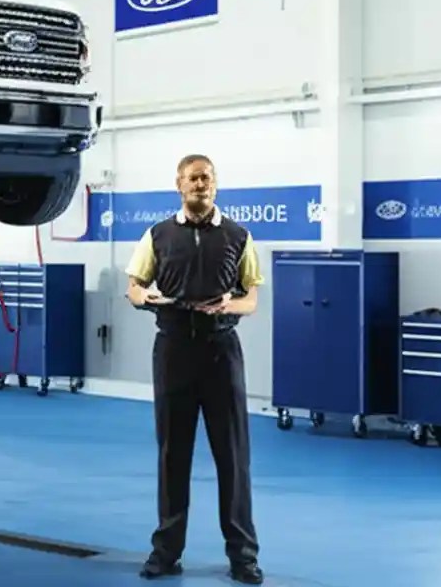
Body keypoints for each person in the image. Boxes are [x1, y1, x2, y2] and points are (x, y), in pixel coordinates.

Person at [125, 154, 265, 585]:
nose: (201, 184)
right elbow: (133, 286)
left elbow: (252, 299)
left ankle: (243, 556)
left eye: (207, 177)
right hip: (173, 351)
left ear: (215, 185)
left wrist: (230, 304)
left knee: (233, 457)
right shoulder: (157, 235)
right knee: (173, 454)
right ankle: (166, 552)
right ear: (179, 185)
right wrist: (143, 298)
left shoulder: (239, 236)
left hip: (222, 351)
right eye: (193, 178)